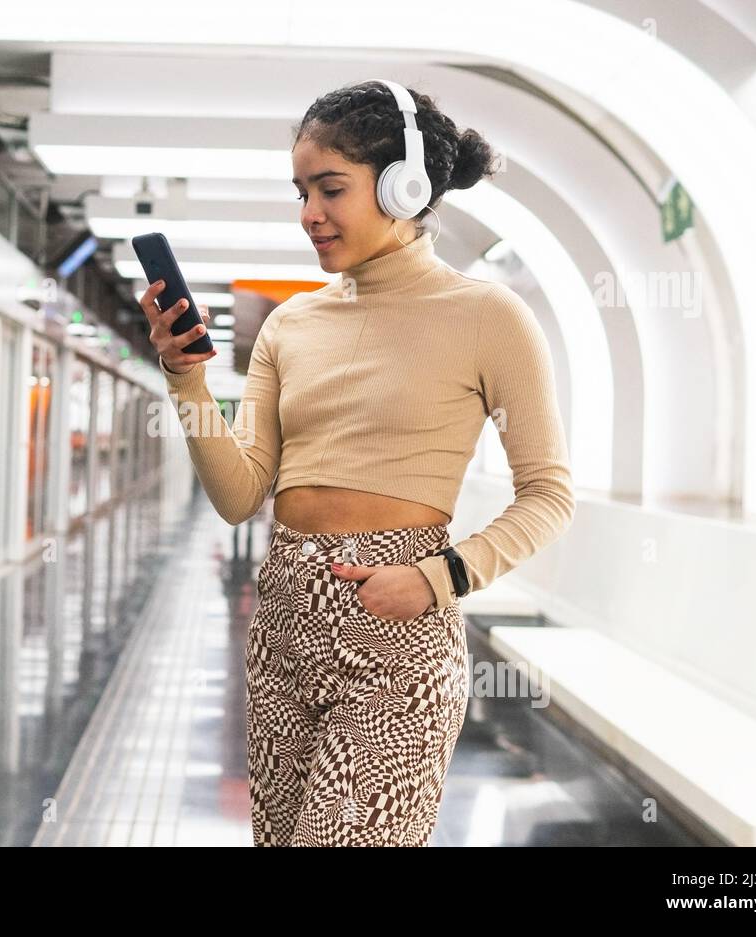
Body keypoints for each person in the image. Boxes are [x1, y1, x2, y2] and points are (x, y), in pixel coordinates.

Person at [140, 79, 576, 846]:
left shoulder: (488, 316)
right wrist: (188, 381)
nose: (309, 213)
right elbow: (241, 494)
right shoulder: (290, 325)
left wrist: (441, 576)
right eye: (301, 191)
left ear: (403, 185)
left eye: (330, 188)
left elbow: (548, 494)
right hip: (281, 625)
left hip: (398, 631)